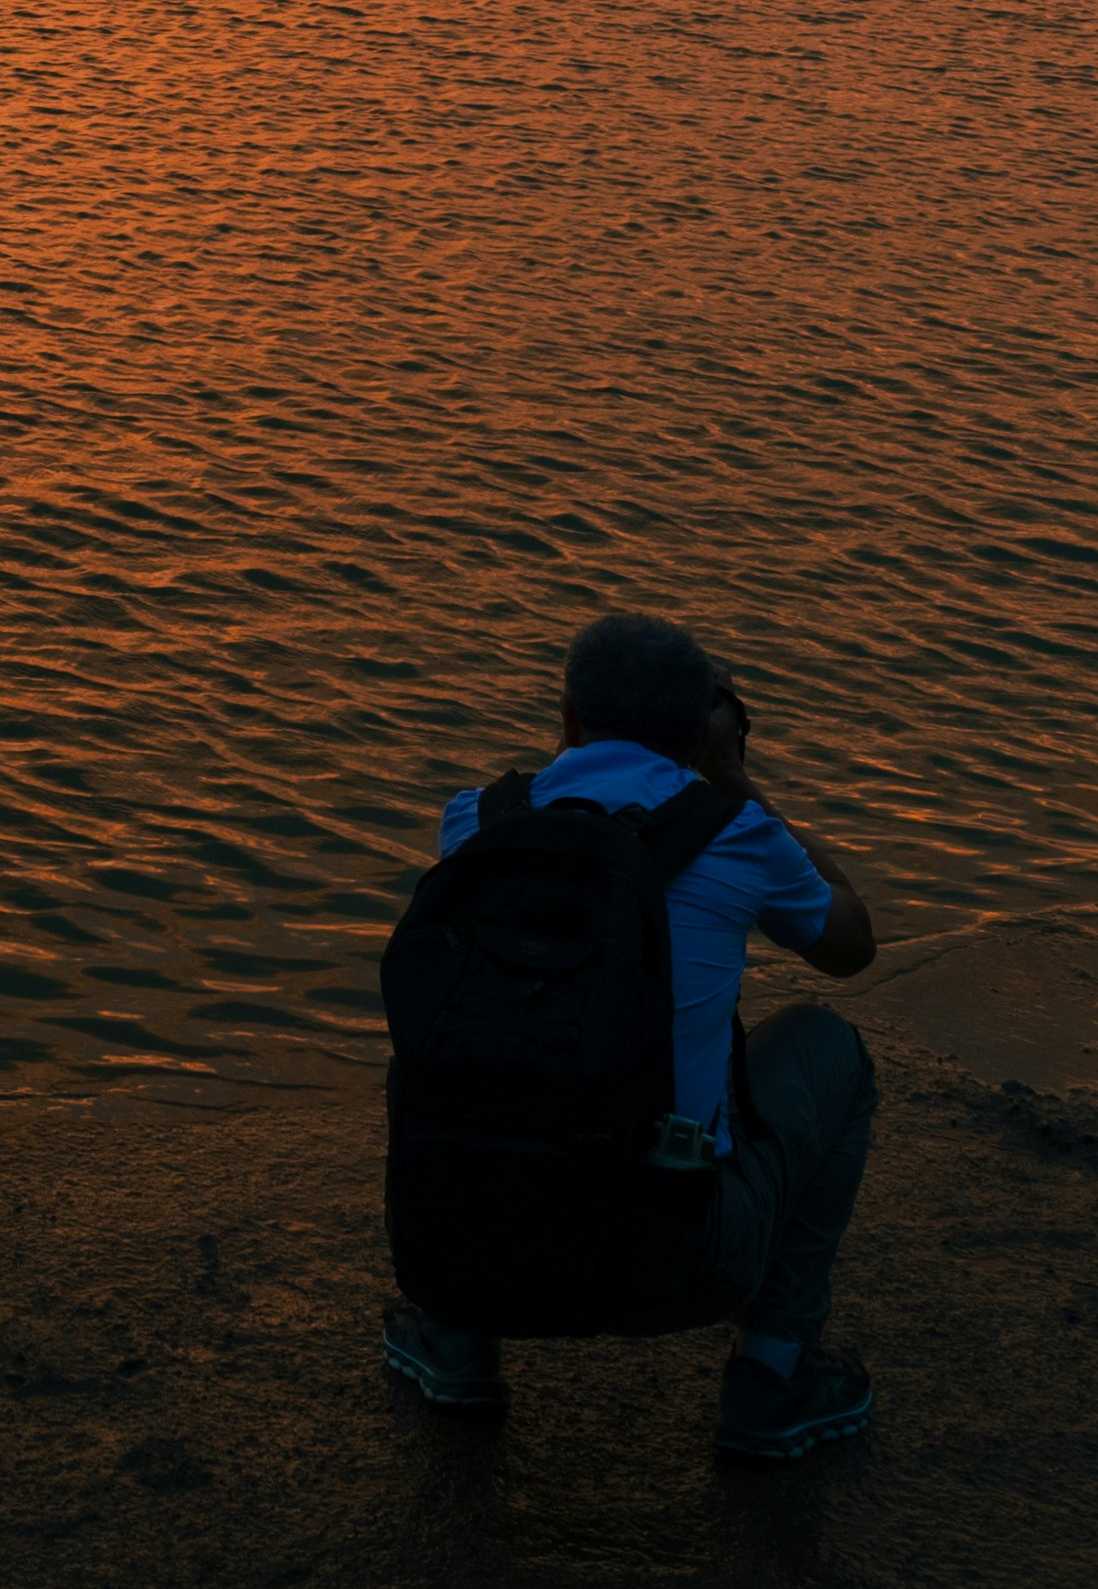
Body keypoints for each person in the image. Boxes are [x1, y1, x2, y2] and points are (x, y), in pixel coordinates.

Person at [375, 611, 884, 1459]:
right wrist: (734, 779)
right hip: (675, 1266)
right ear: (699, 732)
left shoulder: (474, 822)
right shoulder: (738, 836)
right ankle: (771, 1375)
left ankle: (455, 1342)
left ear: (568, 718)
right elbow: (850, 946)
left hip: (470, 1256)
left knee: (451, 1035)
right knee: (831, 1048)